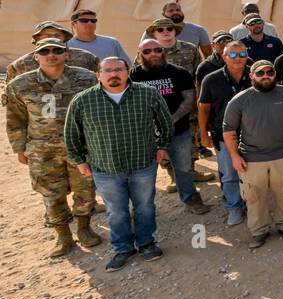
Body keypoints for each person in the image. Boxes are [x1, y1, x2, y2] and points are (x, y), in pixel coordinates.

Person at [64, 57, 172, 272]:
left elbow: (165, 123)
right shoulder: (82, 100)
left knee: (145, 206)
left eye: (118, 69)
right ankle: (123, 248)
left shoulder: (147, 94)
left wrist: (162, 146)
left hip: (142, 164)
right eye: (108, 70)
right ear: (98, 75)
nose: (114, 74)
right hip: (105, 168)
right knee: (116, 211)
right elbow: (71, 134)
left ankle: (146, 243)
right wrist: (79, 160)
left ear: (127, 71)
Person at [5, 38, 100, 257]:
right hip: (42, 151)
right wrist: (20, 148)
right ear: (35, 56)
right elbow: (15, 119)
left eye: (57, 50)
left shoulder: (86, 79)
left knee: (85, 190)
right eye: (44, 51)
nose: (51, 54)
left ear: (66, 54)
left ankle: (85, 229)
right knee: (51, 194)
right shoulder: (19, 85)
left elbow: (100, 111)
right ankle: (63, 236)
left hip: (81, 147)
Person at [223, 60, 283, 249]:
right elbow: (229, 132)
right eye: (260, 73)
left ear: (275, 74)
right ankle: (259, 230)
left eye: (270, 72)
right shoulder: (240, 100)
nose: (266, 76)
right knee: (254, 197)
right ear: (251, 76)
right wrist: (235, 157)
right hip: (252, 159)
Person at [130, 39, 210, 214]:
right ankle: (143, 209)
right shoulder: (132, 77)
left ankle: (191, 199)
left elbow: (189, 100)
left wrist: (170, 120)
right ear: (139, 54)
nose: (153, 54)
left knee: (183, 168)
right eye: (147, 51)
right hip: (145, 135)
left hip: (178, 131)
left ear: (163, 52)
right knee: (144, 174)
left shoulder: (179, 73)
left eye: (157, 50)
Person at [198, 41, 252, 225]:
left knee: (252, 172)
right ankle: (234, 206)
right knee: (229, 174)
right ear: (224, 57)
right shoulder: (212, 79)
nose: (238, 59)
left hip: (254, 134)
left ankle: (252, 205)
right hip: (223, 135)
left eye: (242, 55)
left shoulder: (256, 74)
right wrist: (203, 134)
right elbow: (203, 108)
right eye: (233, 55)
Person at [8, 21, 99, 80]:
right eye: (47, 36)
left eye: (57, 35)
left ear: (64, 37)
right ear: (37, 39)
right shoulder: (21, 64)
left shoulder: (86, 58)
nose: (52, 38)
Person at [141, 3, 212, 56]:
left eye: (178, 10)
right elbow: (142, 53)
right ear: (163, 14)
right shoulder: (152, 31)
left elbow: (208, 54)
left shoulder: (198, 30)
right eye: (171, 11)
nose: (175, 12)